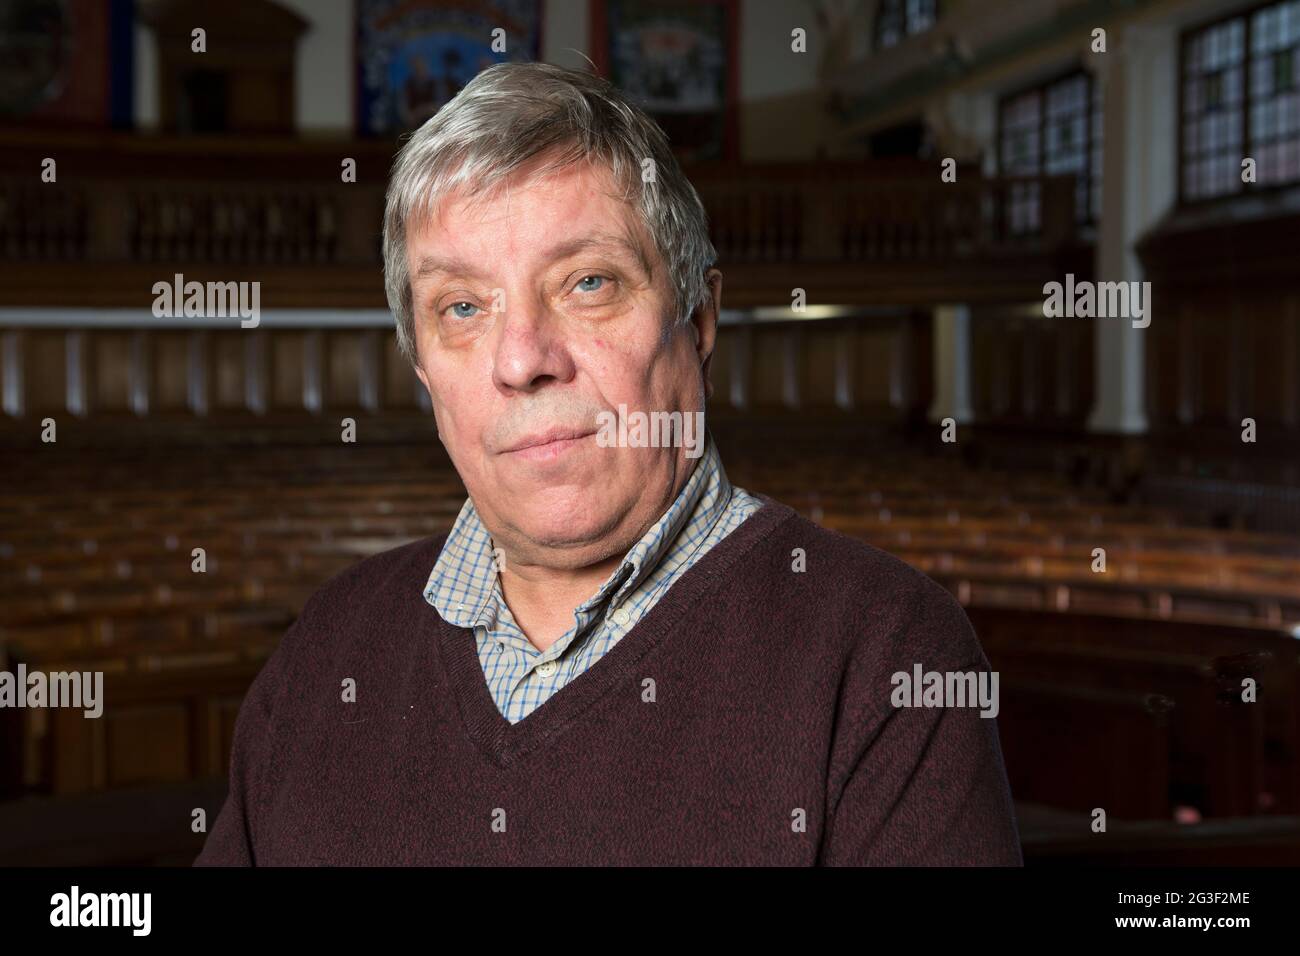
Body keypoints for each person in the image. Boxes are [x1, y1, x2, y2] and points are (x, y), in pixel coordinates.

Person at [194, 61, 1021, 866]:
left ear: (697, 320)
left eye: (588, 282)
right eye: (464, 307)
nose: (523, 360)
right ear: (425, 374)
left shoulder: (889, 654)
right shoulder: (328, 645)